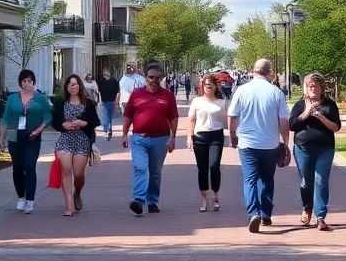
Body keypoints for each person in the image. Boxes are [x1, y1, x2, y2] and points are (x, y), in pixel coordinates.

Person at [227, 58, 290, 233]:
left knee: (250, 180)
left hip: (247, 143)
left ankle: (253, 212)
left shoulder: (242, 90)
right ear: (269, 72)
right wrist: (286, 142)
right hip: (269, 143)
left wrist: (232, 136)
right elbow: (283, 120)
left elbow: (232, 115)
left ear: (253, 71)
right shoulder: (276, 92)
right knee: (267, 179)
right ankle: (266, 213)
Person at [121, 62, 179, 215]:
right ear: (145, 77)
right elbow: (128, 115)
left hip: (160, 139)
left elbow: (173, 117)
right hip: (139, 138)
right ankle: (139, 200)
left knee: (155, 172)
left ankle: (152, 201)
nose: (153, 80)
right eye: (150, 77)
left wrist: (173, 137)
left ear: (161, 78)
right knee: (140, 168)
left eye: (157, 77)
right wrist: (124, 134)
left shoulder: (167, 95)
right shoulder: (136, 94)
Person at [288, 72, 341, 231]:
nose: (313, 89)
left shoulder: (329, 105)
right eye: (310, 86)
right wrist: (307, 112)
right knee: (306, 182)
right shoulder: (300, 105)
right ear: (306, 88)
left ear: (321, 88)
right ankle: (307, 207)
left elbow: (336, 127)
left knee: (321, 181)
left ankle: (320, 216)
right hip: (303, 148)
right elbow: (292, 125)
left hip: (325, 149)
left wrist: (322, 118)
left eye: (315, 86)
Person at [0, 69, 53, 213]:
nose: (26, 83)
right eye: (24, 81)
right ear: (20, 83)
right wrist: (1, 138)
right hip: (15, 135)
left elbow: (47, 117)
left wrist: (38, 130)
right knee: (17, 169)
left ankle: (30, 200)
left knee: (29, 166)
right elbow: (5, 118)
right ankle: (21, 197)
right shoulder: (13, 98)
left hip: (32, 135)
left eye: (29, 81)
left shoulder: (40, 98)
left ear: (33, 82)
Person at [52, 74, 100, 216]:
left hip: (82, 139)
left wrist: (84, 123)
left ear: (80, 85)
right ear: (66, 87)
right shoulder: (60, 102)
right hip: (65, 139)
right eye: (70, 84)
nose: (73, 87)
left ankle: (77, 192)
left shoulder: (88, 103)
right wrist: (63, 125)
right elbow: (54, 122)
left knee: (78, 173)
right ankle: (68, 206)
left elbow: (94, 121)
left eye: (75, 84)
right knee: (66, 169)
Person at [186, 74, 228, 212]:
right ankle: (204, 199)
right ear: (202, 86)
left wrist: (233, 133)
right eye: (206, 84)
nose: (208, 86)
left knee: (214, 166)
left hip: (216, 136)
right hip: (200, 136)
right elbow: (191, 119)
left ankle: (215, 196)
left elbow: (228, 120)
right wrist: (189, 137)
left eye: (211, 84)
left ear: (216, 86)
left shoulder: (222, 103)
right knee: (202, 169)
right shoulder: (197, 101)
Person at [97, 68, 121, 139]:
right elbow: (117, 91)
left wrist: (100, 100)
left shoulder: (102, 82)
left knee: (106, 114)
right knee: (108, 114)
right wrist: (117, 100)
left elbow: (99, 92)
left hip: (107, 100)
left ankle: (106, 127)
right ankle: (108, 126)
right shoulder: (113, 81)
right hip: (110, 100)